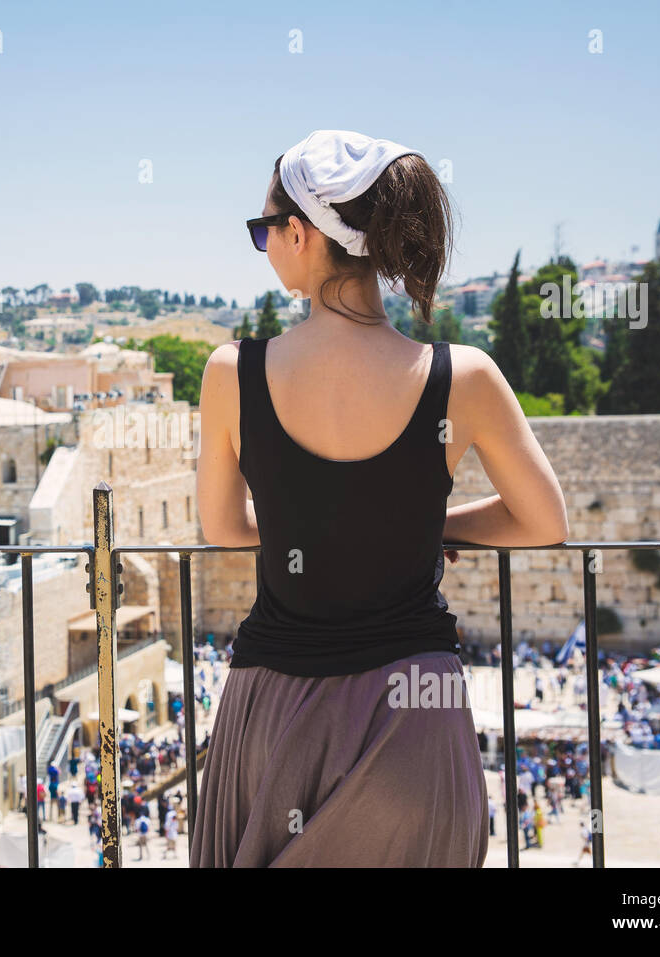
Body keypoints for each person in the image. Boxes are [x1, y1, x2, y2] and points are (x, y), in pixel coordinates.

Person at [190, 130, 567, 868]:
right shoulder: (464, 376)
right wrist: (421, 526)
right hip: (415, 716)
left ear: (301, 233)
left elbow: (224, 526)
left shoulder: (232, 371)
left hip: (276, 711)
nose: (263, 246)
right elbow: (542, 520)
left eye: (264, 230)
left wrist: (315, 529)